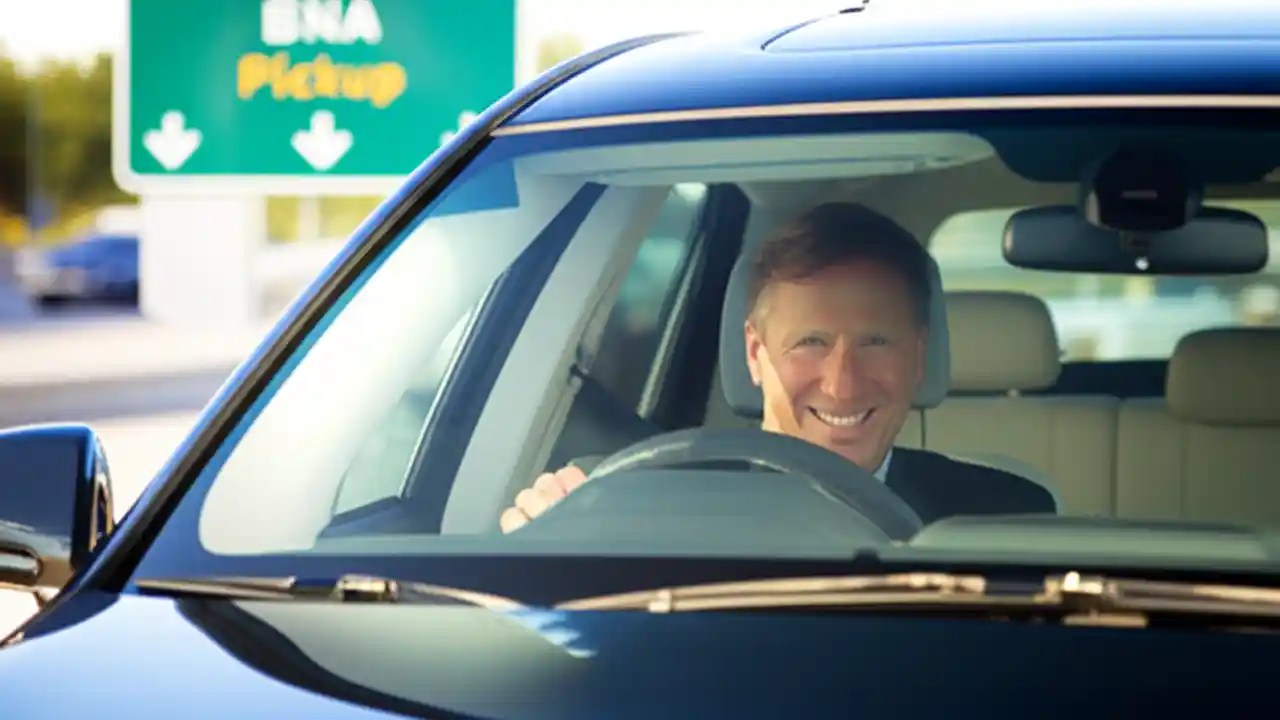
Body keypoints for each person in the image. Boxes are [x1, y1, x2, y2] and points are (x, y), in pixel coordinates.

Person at [500, 202, 1056, 533]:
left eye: (876, 342)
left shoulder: (1004, 518)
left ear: (919, 356)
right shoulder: (627, 503)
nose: (842, 383)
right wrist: (539, 555)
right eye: (810, 342)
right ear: (755, 353)